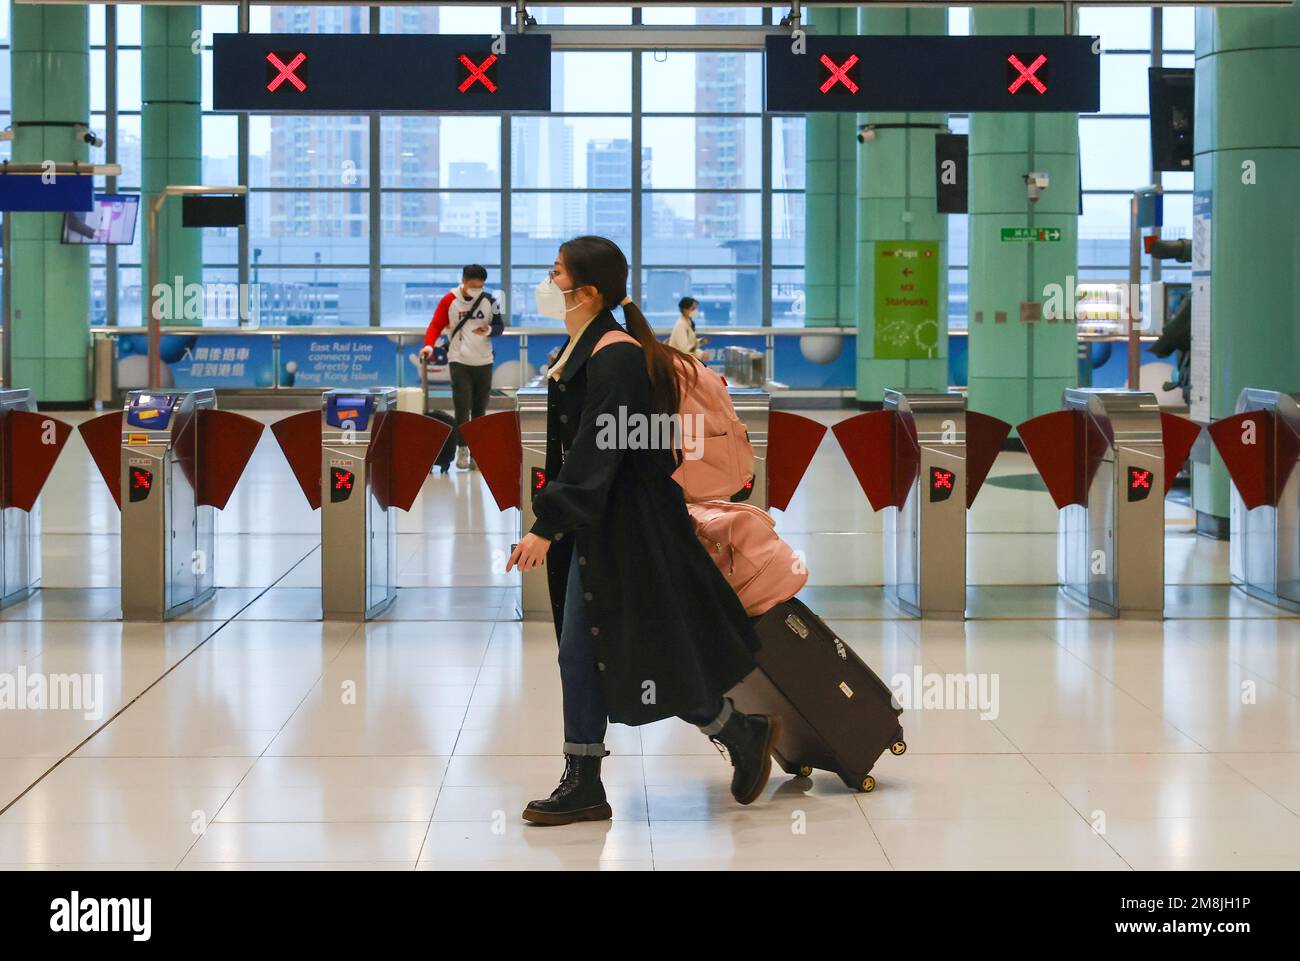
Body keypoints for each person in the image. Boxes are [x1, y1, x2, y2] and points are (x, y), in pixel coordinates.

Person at [506, 236, 780, 826]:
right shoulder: (589, 346)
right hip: (602, 525)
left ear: (589, 291)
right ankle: (595, 776)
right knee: (595, 653)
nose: (548, 283)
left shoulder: (615, 355)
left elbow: (595, 450)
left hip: (626, 531)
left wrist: (546, 526)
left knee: (628, 650)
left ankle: (733, 731)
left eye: (555, 274)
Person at [419, 265, 503, 470]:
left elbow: (500, 326)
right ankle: (462, 448)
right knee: (462, 407)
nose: (477, 290)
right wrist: (429, 345)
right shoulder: (450, 300)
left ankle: (478, 452)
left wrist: (489, 329)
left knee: (480, 410)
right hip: (459, 360)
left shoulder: (490, 300)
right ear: (464, 281)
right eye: (473, 286)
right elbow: (436, 325)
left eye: (481, 286)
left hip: (484, 361)